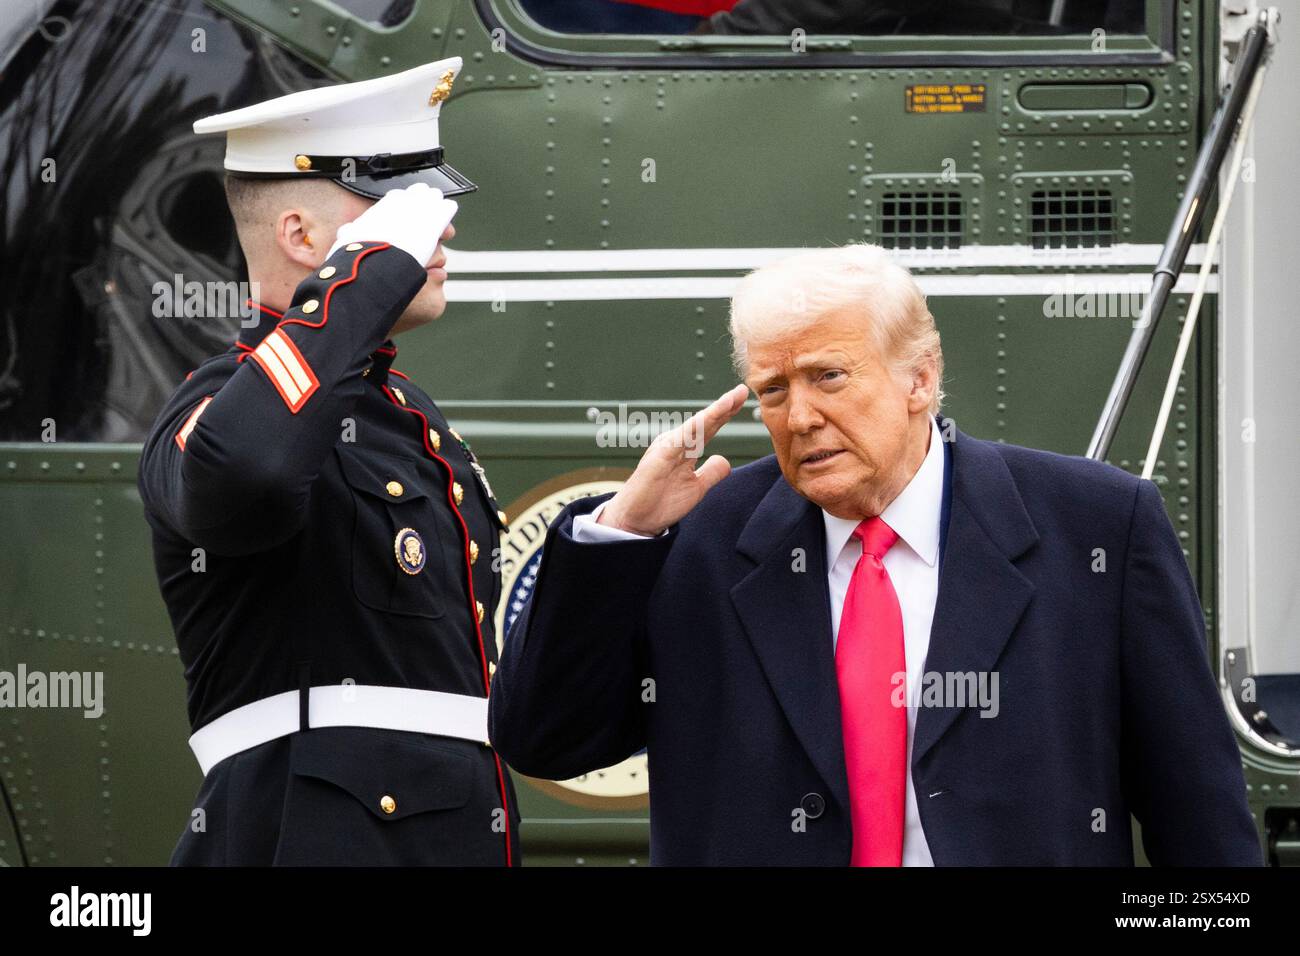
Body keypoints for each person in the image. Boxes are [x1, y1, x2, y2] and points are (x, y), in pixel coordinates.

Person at [488, 243, 1263, 866]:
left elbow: (1196, 810)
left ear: (920, 378)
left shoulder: (1096, 526)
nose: (800, 416)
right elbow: (545, 741)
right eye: (772, 389)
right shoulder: (700, 539)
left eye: (829, 376)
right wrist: (621, 532)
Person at [138, 57, 519, 865]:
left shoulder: (411, 420)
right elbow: (248, 471)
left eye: (435, 205)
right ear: (303, 237)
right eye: (402, 209)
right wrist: (365, 277)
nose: (440, 228)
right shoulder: (212, 407)